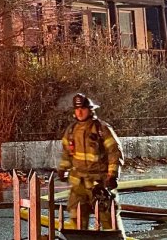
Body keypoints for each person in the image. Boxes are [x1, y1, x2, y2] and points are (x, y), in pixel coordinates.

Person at [57, 93, 124, 237]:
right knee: (77, 220)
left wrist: (112, 175)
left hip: (99, 184)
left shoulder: (101, 129)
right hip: (78, 185)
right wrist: (62, 168)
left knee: (109, 220)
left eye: (83, 108)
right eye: (77, 109)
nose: (79, 112)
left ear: (90, 109)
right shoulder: (71, 131)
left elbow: (114, 152)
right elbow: (67, 153)